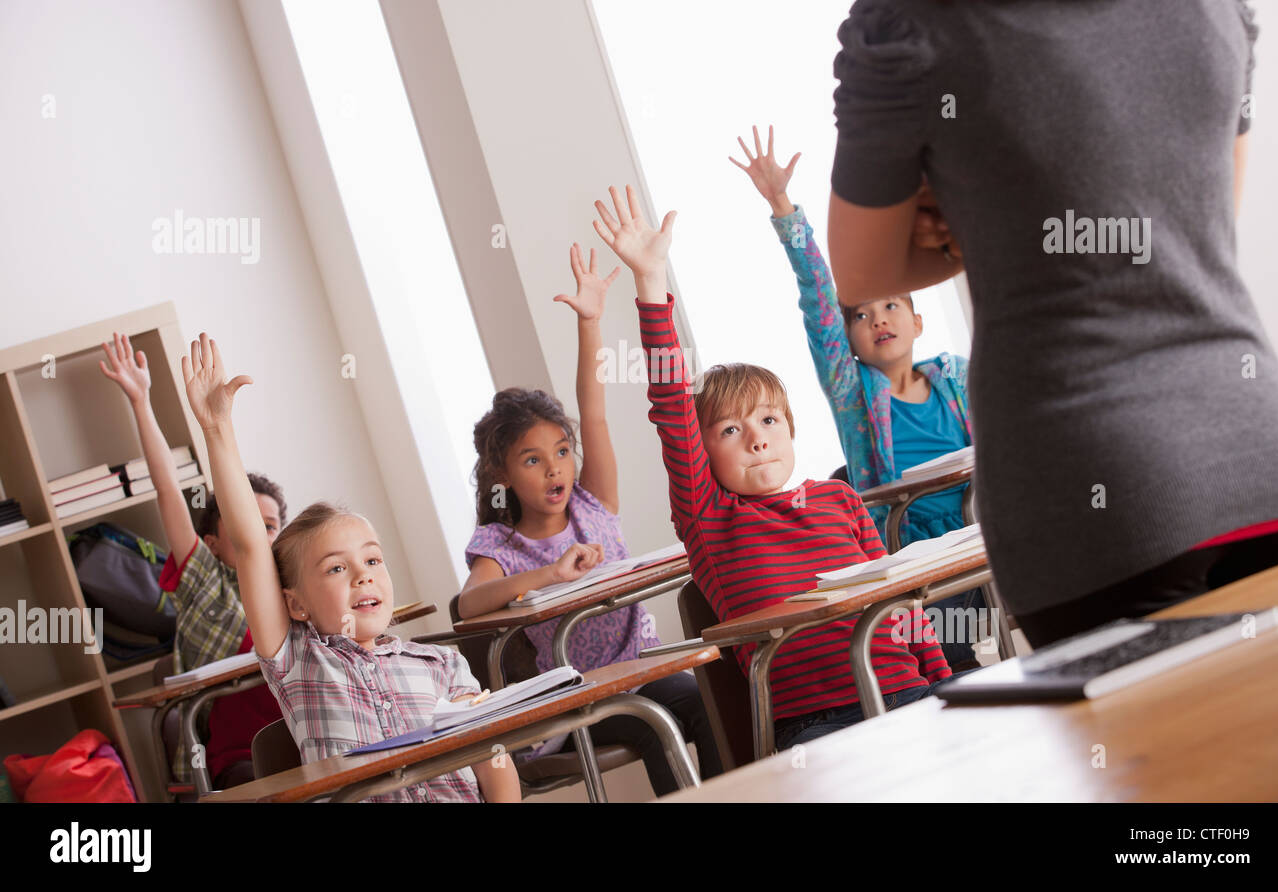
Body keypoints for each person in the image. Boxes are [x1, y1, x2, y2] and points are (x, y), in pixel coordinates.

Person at [826, 0, 1278, 647]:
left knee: (1156, 758)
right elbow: (1199, 219)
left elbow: (865, 275)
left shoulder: (915, 37)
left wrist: (987, 223)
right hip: (1264, 449)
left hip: (1086, 487)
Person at [594, 184, 951, 750]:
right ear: (703, 454)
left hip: (906, 693)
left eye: (767, 422)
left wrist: (942, 682)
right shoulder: (710, 517)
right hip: (819, 726)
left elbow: (900, 600)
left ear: (789, 430)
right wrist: (650, 280)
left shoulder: (840, 499)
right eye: (731, 431)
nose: (756, 440)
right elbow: (670, 404)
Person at [180, 332, 519, 802]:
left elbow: (491, 752)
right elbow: (252, 546)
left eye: (372, 559)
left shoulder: (442, 664)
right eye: (336, 569)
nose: (363, 574)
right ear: (295, 604)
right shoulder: (298, 661)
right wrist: (217, 430)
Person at [459, 244, 722, 795]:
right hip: (584, 695)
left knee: (706, 702)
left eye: (561, 451)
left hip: (643, 669)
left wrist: (591, 321)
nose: (555, 468)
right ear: (503, 476)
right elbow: (469, 605)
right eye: (533, 460)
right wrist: (549, 575)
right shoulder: (499, 542)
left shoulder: (591, 500)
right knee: (658, 727)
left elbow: (593, 404)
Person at [731, 125, 984, 669]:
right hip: (920, 560)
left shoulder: (957, 380)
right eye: (861, 316)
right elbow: (820, 301)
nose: (877, 319)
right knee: (956, 648)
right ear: (846, 342)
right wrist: (782, 205)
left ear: (917, 320)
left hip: (986, 537)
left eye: (890, 306)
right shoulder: (853, 394)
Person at [99, 332, 284, 789]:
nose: (259, 534)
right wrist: (142, 400)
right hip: (237, 750)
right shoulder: (205, 579)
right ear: (213, 543)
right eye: (245, 523)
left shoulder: (292, 583)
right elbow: (167, 490)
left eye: (271, 525)